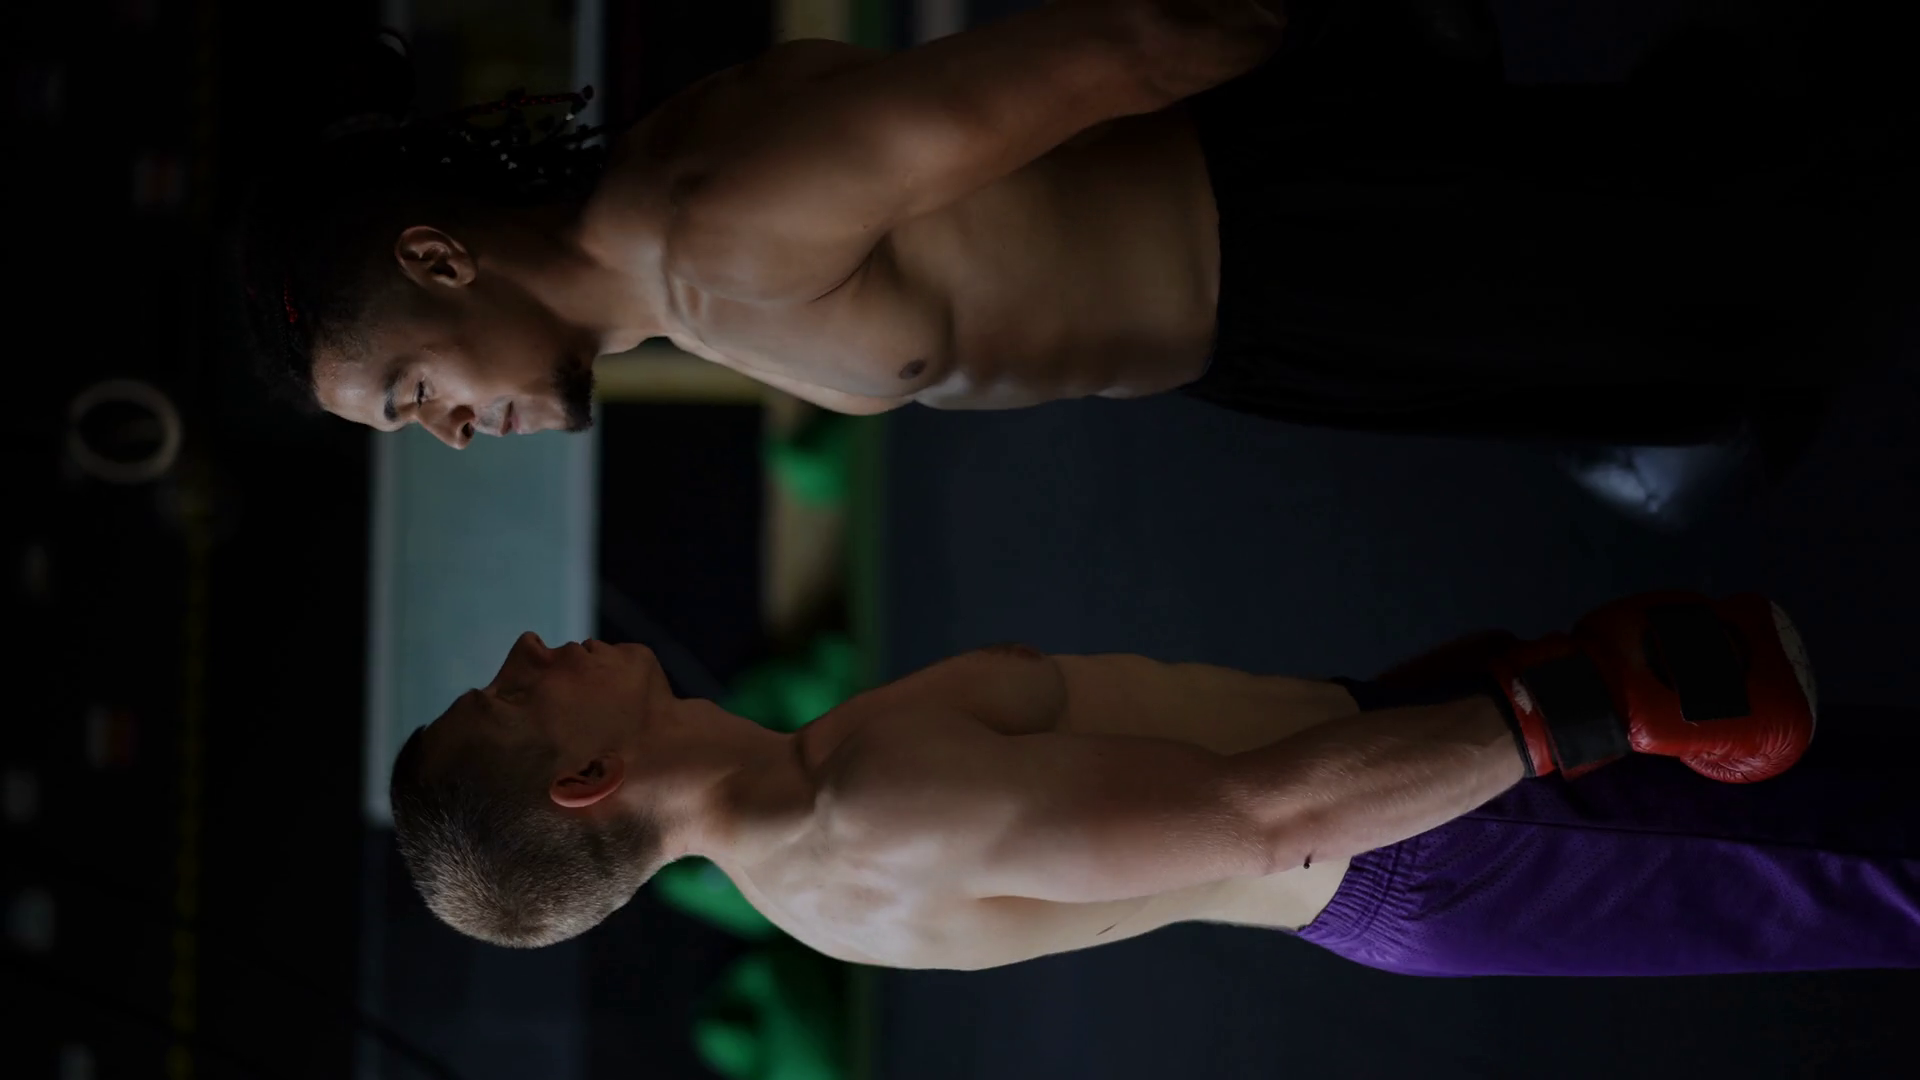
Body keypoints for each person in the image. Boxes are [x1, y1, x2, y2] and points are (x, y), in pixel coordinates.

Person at [239, 0, 1917, 449]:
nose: (450, 433)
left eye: (413, 396)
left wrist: (1362, 63)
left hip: (1323, 238)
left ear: (438, 261)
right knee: (1732, 334)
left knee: (1805, 265)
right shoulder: (680, 288)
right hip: (1274, 339)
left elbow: (1128, 44)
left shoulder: (721, 221)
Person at [389, 591, 1920, 977]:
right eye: (513, 691)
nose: (530, 644)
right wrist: (1575, 708)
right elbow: (1271, 822)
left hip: (1403, 767)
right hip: (1438, 829)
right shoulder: (857, 816)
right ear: (589, 781)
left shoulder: (816, 811)